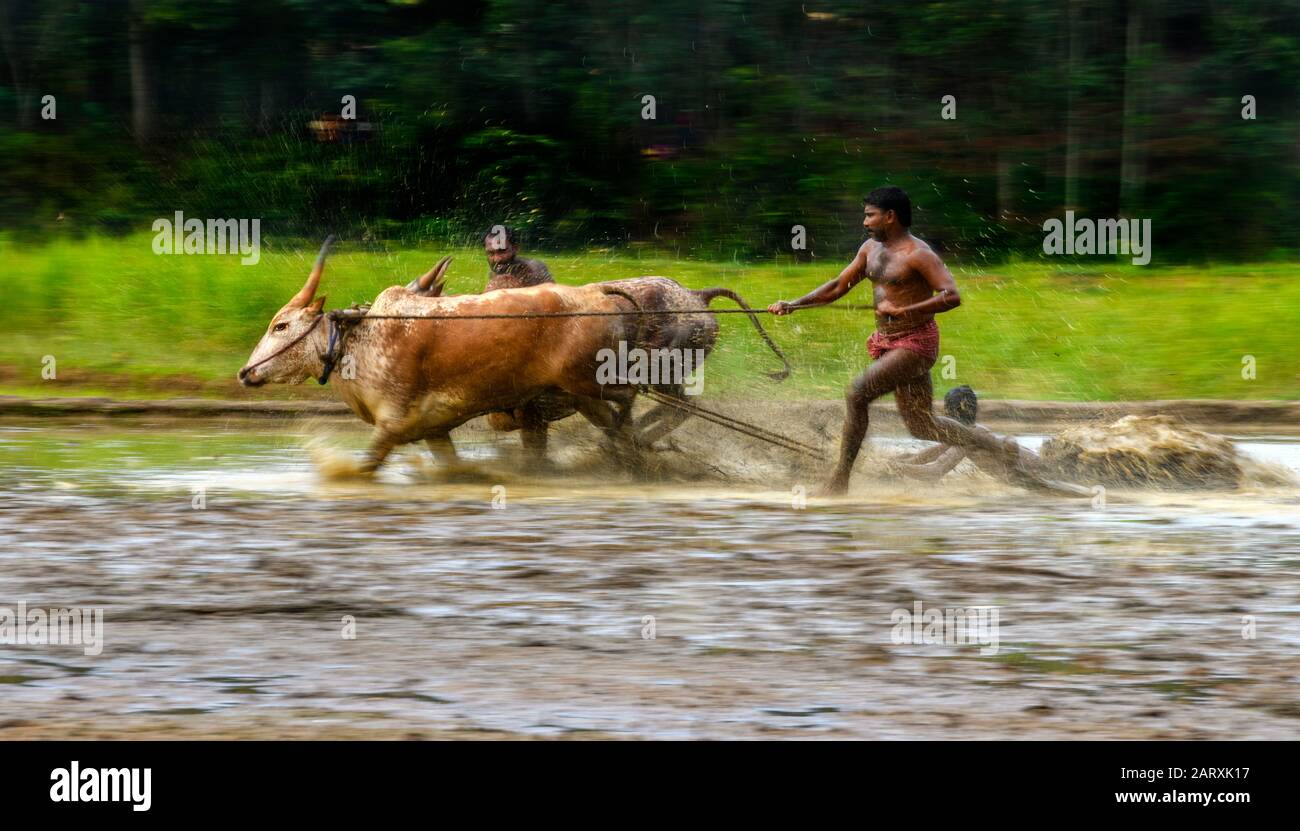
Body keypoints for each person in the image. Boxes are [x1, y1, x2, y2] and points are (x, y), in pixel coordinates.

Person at [768, 186, 1023, 495]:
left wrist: (904, 311)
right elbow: (837, 286)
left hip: (916, 343)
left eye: (870, 215)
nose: (865, 222)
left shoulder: (919, 254)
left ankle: (839, 482)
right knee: (922, 426)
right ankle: (995, 445)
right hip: (887, 342)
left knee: (857, 393)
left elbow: (952, 296)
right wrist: (794, 304)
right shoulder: (869, 250)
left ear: (890, 216)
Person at [891, 386, 1092, 496]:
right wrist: (901, 462)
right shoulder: (967, 434)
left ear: (949, 413)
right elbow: (929, 455)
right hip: (1039, 473)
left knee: (1080, 493)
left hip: (1042, 477)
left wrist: (895, 468)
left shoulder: (969, 437)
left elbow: (934, 472)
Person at [482, 225, 554, 291]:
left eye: (502, 251)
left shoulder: (534, 269)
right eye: (491, 253)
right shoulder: (496, 271)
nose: (497, 259)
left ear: (516, 248)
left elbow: (553, 295)